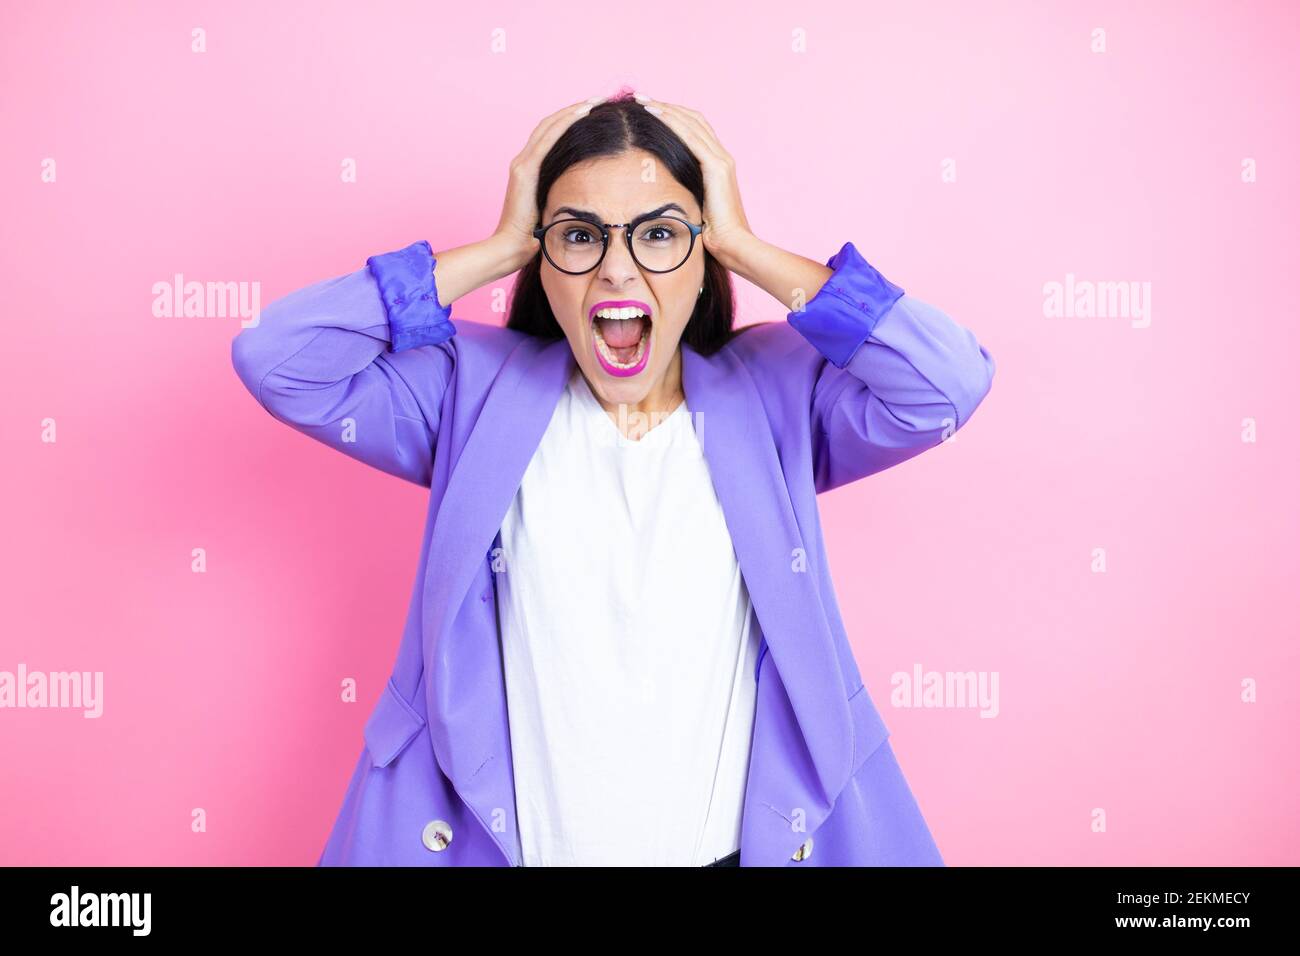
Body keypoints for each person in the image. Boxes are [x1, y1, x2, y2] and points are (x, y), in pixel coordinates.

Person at [231, 90, 996, 867]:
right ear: (543, 258)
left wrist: (743, 242)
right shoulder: (471, 393)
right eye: (579, 236)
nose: (618, 268)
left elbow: (946, 383)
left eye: (661, 234)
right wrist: (498, 247)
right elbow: (280, 360)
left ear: (702, 262)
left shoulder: (774, 396)